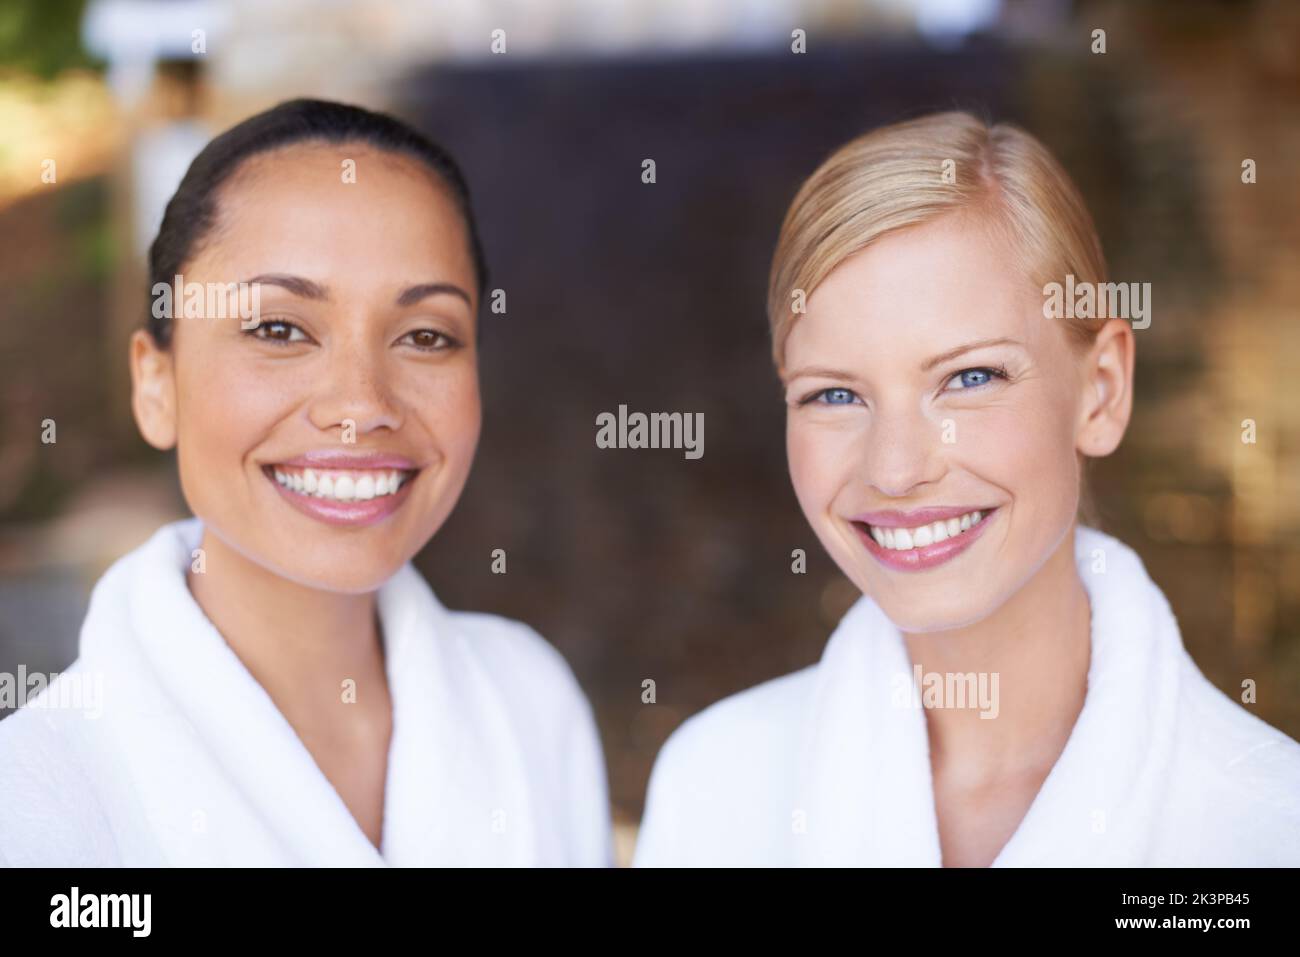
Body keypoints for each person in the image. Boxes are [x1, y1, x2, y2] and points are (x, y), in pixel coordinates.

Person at [633, 111, 1300, 867]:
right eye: (834, 395)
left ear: (1102, 390)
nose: (895, 468)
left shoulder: (1269, 829)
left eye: (969, 378)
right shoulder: (713, 789)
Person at [0, 99, 612, 867]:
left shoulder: (530, 702)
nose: (361, 405)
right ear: (156, 385)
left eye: (426, 335)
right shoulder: (31, 803)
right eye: (279, 329)